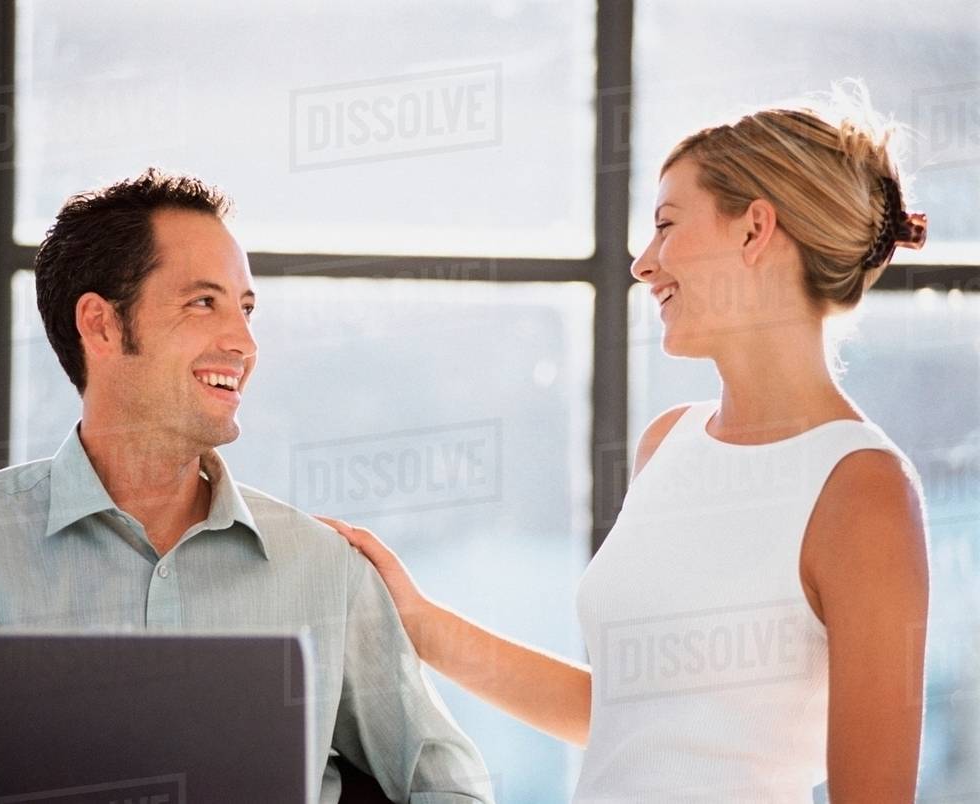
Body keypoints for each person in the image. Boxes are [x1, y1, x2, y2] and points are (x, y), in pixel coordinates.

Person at [320, 88, 930, 803]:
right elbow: (621, 717)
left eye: (667, 225)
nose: (643, 264)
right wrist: (422, 624)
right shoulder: (668, 444)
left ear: (755, 229)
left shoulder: (862, 487)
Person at [0, 169, 494, 804]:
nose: (244, 343)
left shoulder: (326, 570)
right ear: (102, 325)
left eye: (246, 309)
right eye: (204, 302)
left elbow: (449, 790)